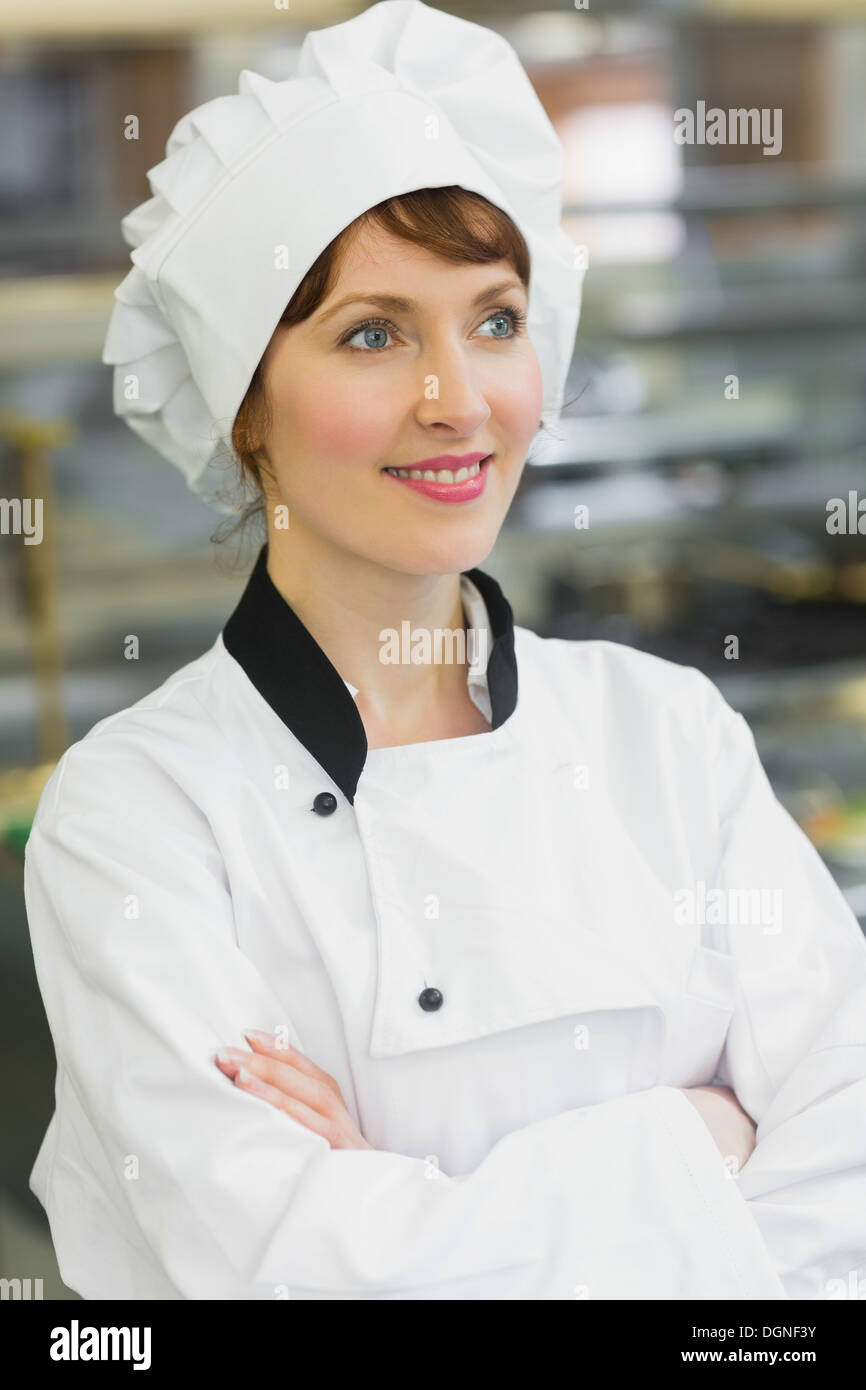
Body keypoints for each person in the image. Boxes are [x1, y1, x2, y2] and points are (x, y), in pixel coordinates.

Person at [24, 0, 866, 1301]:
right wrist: (694, 1143)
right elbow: (287, 1279)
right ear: (245, 401)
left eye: (492, 318)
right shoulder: (141, 814)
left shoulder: (668, 730)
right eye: (373, 332)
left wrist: (407, 1207)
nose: (459, 398)